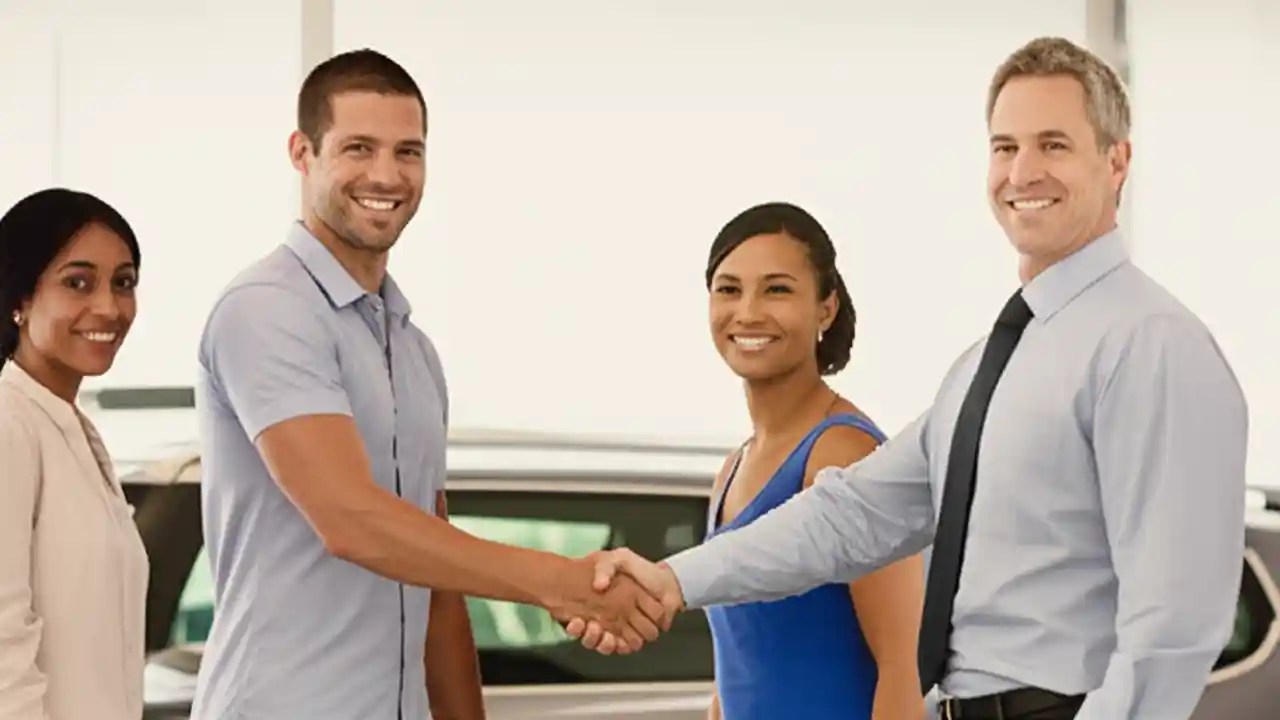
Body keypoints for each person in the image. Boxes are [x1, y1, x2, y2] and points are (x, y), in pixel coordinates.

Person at [571, 36, 1248, 720]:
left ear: (1117, 160)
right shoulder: (991, 364)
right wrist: (670, 579)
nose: (1023, 172)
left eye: (1054, 145)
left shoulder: (1150, 344)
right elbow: (851, 516)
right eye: (1005, 147)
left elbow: (1172, 627)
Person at [191, 49, 667, 720]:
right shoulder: (267, 310)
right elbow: (352, 521)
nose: (386, 175)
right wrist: (560, 583)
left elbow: (437, 578)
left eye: (407, 152)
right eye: (359, 147)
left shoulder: (414, 351)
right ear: (302, 153)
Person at [694, 201, 924, 720]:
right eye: (729, 289)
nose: (748, 311)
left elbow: (905, 669)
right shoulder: (732, 468)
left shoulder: (845, 456)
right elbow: (738, 675)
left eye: (777, 289)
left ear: (826, 307)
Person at [0, 188, 148, 720]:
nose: (108, 306)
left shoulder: (73, 429)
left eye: (123, 282)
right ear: (19, 297)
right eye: (77, 282)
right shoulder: (9, 426)